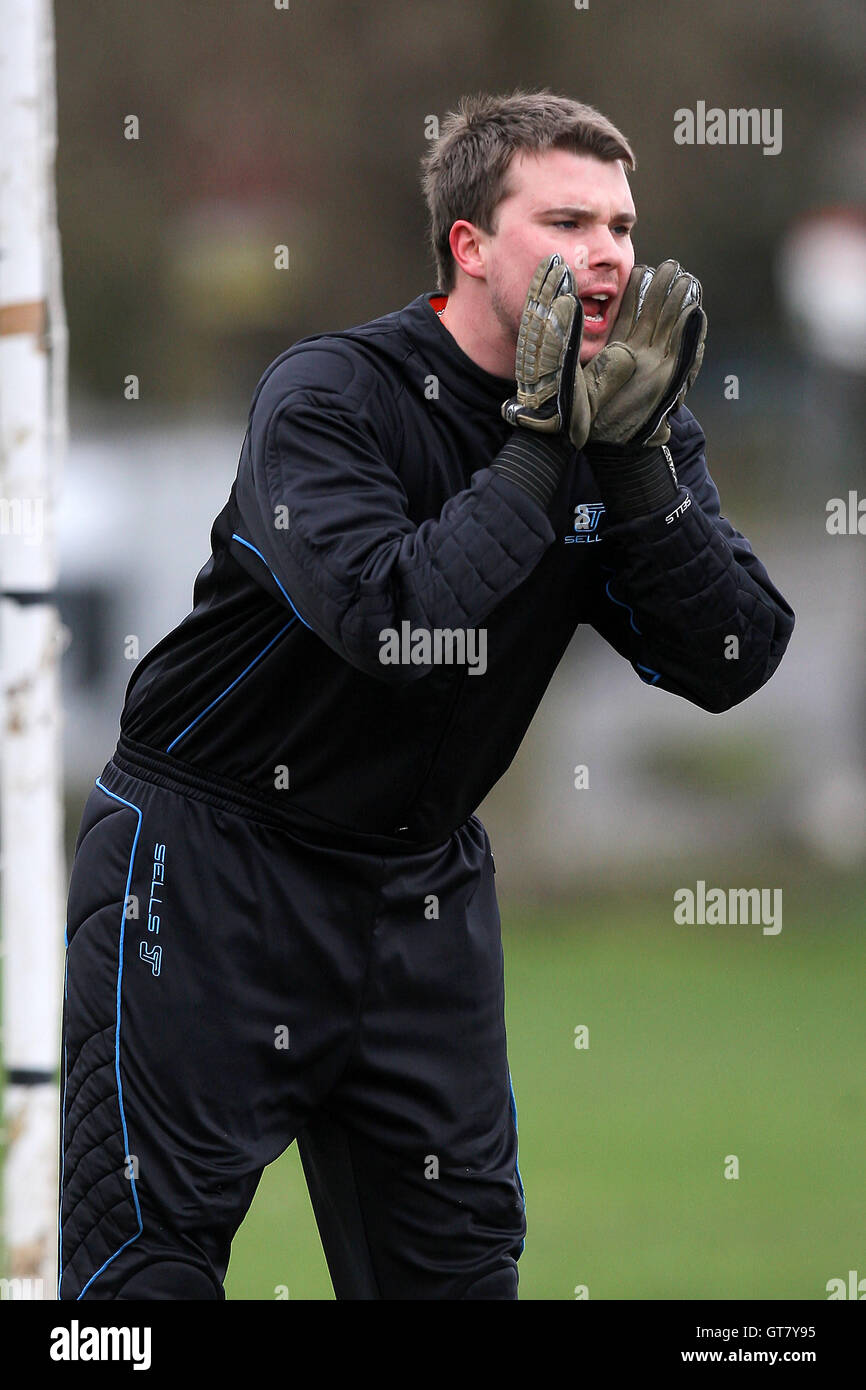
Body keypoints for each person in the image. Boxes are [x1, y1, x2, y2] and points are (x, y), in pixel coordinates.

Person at [58, 89, 794, 1301]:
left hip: (419, 889)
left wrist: (626, 461)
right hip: (203, 867)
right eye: (566, 219)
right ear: (468, 245)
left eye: (620, 223)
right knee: (142, 1288)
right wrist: (545, 446)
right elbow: (402, 623)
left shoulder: (628, 419)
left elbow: (733, 654)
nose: (608, 252)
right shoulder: (329, 398)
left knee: (455, 1285)